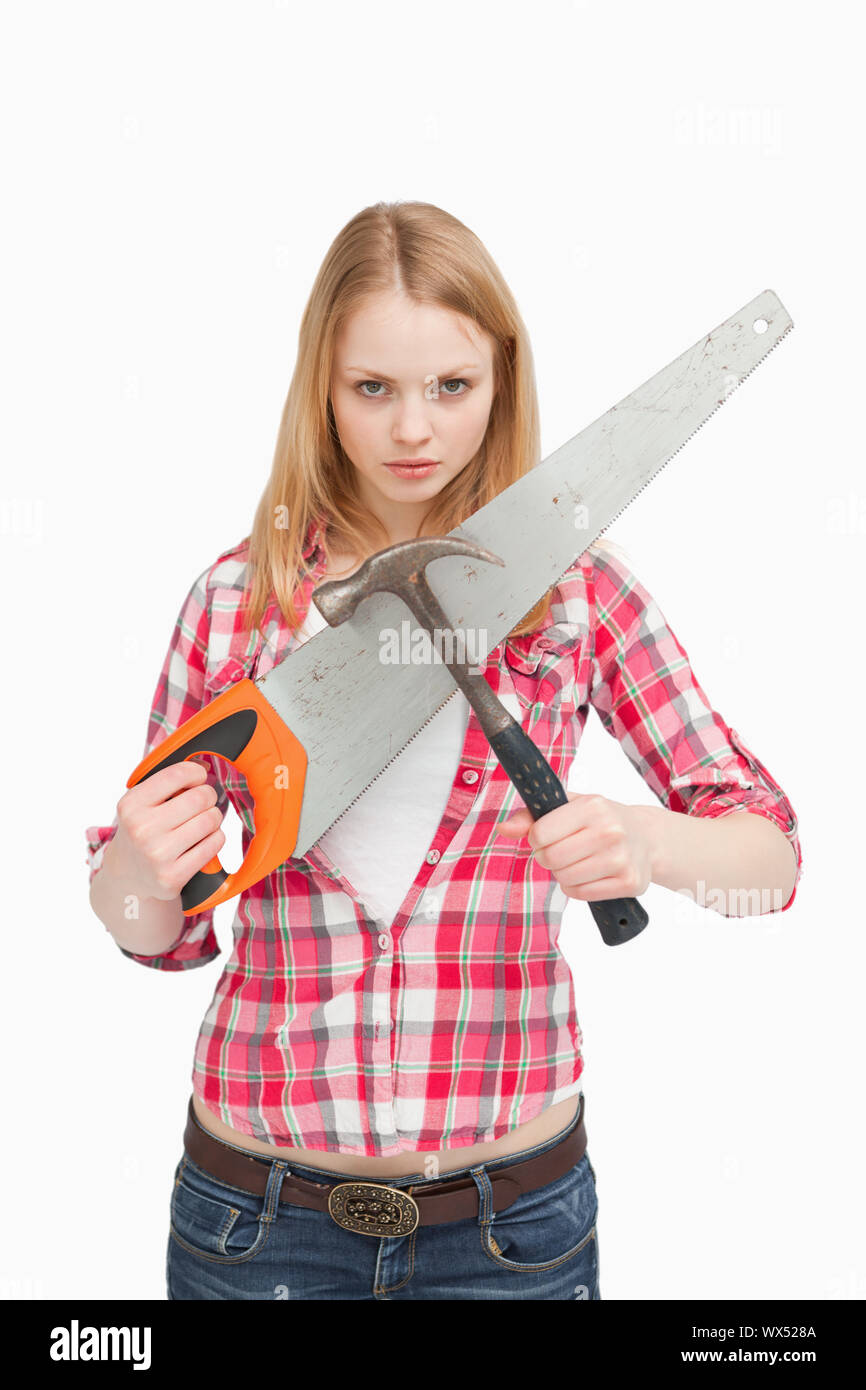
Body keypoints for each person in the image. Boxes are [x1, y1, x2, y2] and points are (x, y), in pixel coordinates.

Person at [86, 200, 803, 1301]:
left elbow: (770, 857)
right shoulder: (238, 606)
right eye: (371, 387)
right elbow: (156, 938)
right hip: (256, 1223)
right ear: (319, 388)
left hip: (509, 1228)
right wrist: (136, 873)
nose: (410, 429)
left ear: (501, 382)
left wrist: (650, 843)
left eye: (449, 387)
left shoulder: (576, 596)